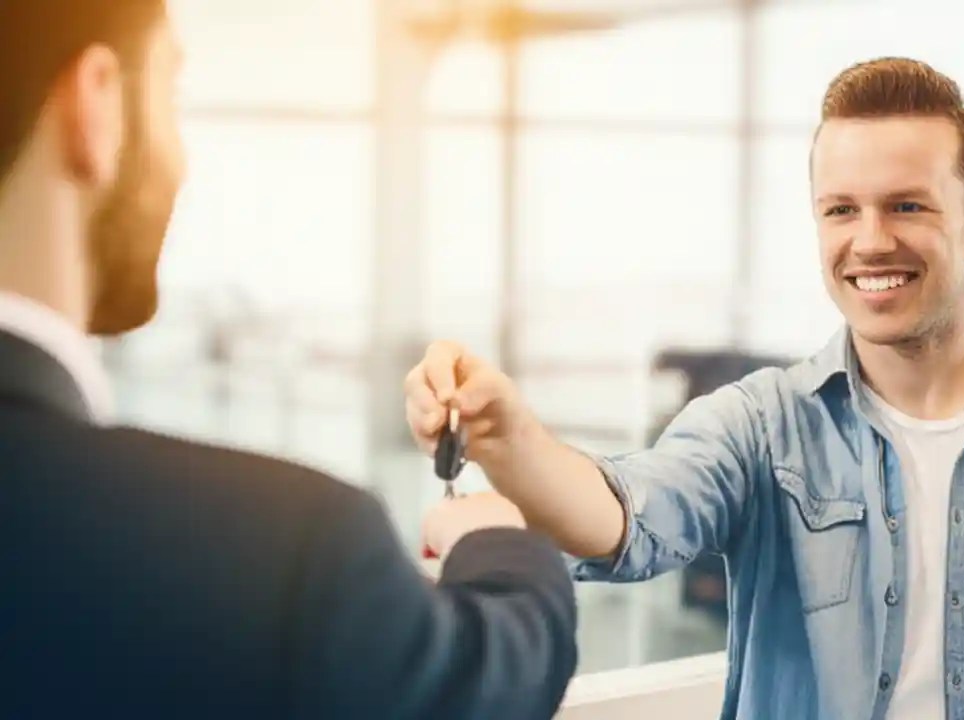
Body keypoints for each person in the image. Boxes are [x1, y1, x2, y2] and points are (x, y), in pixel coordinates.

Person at [405, 58, 964, 719]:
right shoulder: (761, 425)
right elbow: (625, 519)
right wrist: (512, 443)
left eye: (907, 206)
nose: (869, 240)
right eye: (840, 209)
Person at [0, 2, 576, 717]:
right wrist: (495, 543)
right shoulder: (283, 559)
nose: (182, 159)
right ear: (97, 104)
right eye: (170, 98)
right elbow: (492, 678)